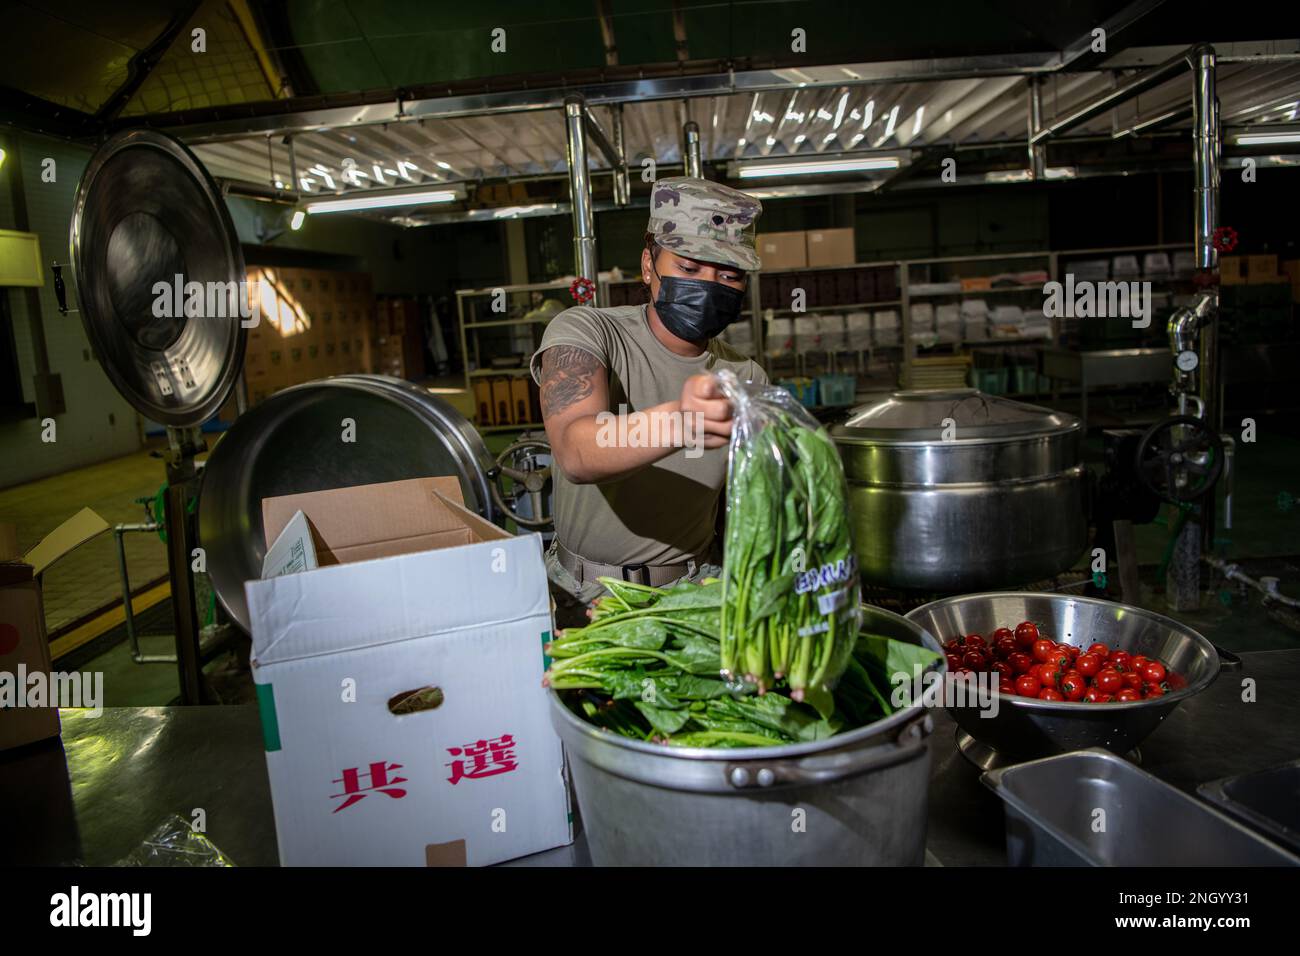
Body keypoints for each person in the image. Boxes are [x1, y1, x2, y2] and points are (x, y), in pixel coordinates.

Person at [530, 177, 768, 628]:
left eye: (728, 274)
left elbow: (742, 505)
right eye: (690, 268)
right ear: (648, 265)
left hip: (697, 594)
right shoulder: (586, 332)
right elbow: (576, 451)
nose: (709, 285)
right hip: (586, 596)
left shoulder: (746, 377)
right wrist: (682, 420)